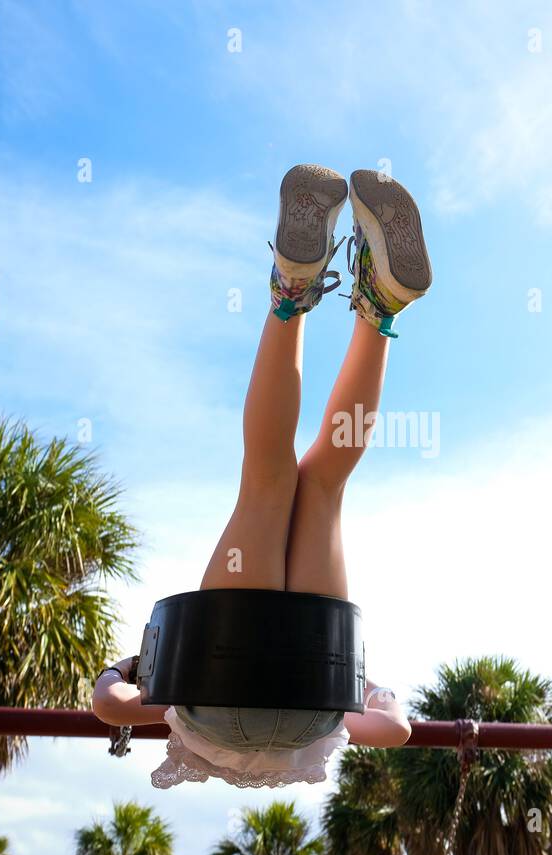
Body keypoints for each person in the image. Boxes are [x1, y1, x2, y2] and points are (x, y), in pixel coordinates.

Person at [92, 163, 431, 787]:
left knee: (323, 486)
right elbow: (107, 705)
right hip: (217, 677)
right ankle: (292, 296)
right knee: (269, 477)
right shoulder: (183, 703)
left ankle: (379, 311)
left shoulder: (315, 730)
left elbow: (393, 729)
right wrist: (123, 669)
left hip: (318, 679)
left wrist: (375, 689)